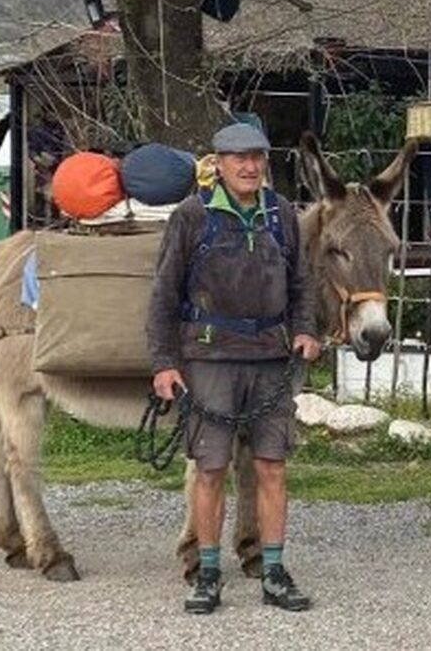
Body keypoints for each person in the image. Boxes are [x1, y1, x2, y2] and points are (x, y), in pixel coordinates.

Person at [147, 122, 322, 615]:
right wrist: (164, 362)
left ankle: (272, 570)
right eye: (238, 158)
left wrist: (305, 329)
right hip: (210, 357)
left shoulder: (281, 212)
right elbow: (163, 293)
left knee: (271, 465)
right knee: (211, 468)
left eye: (257, 157)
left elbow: (302, 282)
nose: (249, 166)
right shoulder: (192, 215)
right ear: (218, 164)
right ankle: (206, 572)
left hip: (270, 356)